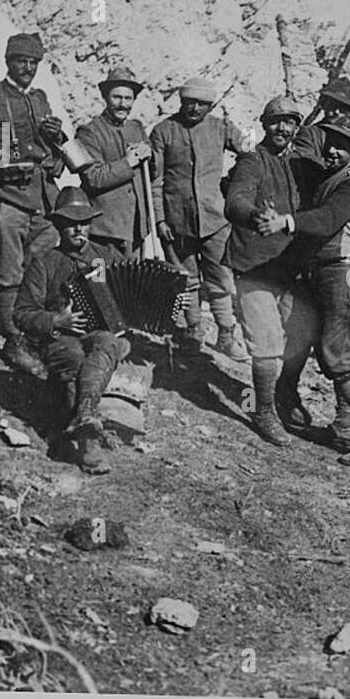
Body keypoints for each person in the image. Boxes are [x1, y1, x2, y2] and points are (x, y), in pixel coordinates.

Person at [263, 111, 350, 467]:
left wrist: (287, 221)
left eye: (343, 147)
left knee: (339, 353)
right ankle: (346, 429)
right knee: (330, 349)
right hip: (326, 271)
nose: (333, 151)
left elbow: (327, 220)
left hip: (343, 272)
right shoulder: (329, 180)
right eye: (331, 143)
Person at [0, 32, 68, 378]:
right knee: (7, 272)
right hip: (7, 200)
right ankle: (13, 338)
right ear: (8, 61)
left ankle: (39, 330)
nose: (28, 68)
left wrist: (55, 138)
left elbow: (51, 149)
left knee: (44, 265)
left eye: (34, 62)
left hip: (42, 199)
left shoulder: (39, 99)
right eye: (22, 61)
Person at [223, 96, 322, 446]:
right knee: (265, 342)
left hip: (289, 269)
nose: (282, 128)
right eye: (275, 121)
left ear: (297, 127)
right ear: (264, 125)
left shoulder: (299, 164)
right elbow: (235, 200)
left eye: (290, 122)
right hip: (254, 267)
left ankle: (284, 394)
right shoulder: (252, 160)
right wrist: (254, 216)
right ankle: (262, 409)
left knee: (302, 334)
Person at [13, 187, 132, 475]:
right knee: (73, 357)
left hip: (98, 333)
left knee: (107, 343)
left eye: (84, 222)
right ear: (59, 226)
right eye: (71, 223)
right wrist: (56, 320)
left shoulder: (106, 257)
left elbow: (131, 293)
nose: (79, 229)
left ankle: (84, 414)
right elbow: (22, 313)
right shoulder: (45, 262)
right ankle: (88, 443)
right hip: (60, 337)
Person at [150, 76, 250, 360]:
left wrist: (235, 184)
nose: (195, 109)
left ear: (211, 106)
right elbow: (155, 181)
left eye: (202, 104)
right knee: (186, 280)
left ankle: (226, 335)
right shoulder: (163, 131)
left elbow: (251, 151)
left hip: (215, 220)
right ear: (181, 102)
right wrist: (160, 220)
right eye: (189, 102)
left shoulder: (221, 127)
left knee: (220, 280)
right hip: (176, 222)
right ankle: (193, 331)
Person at [73, 66, 153, 261]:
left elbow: (153, 172)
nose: (122, 104)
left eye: (128, 99)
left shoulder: (136, 128)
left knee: (134, 279)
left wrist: (150, 155)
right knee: (103, 279)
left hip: (136, 229)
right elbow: (94, 178)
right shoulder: (89, 132)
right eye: (116, 97)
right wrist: (128, 162)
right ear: (105, 97)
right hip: (105, 230)